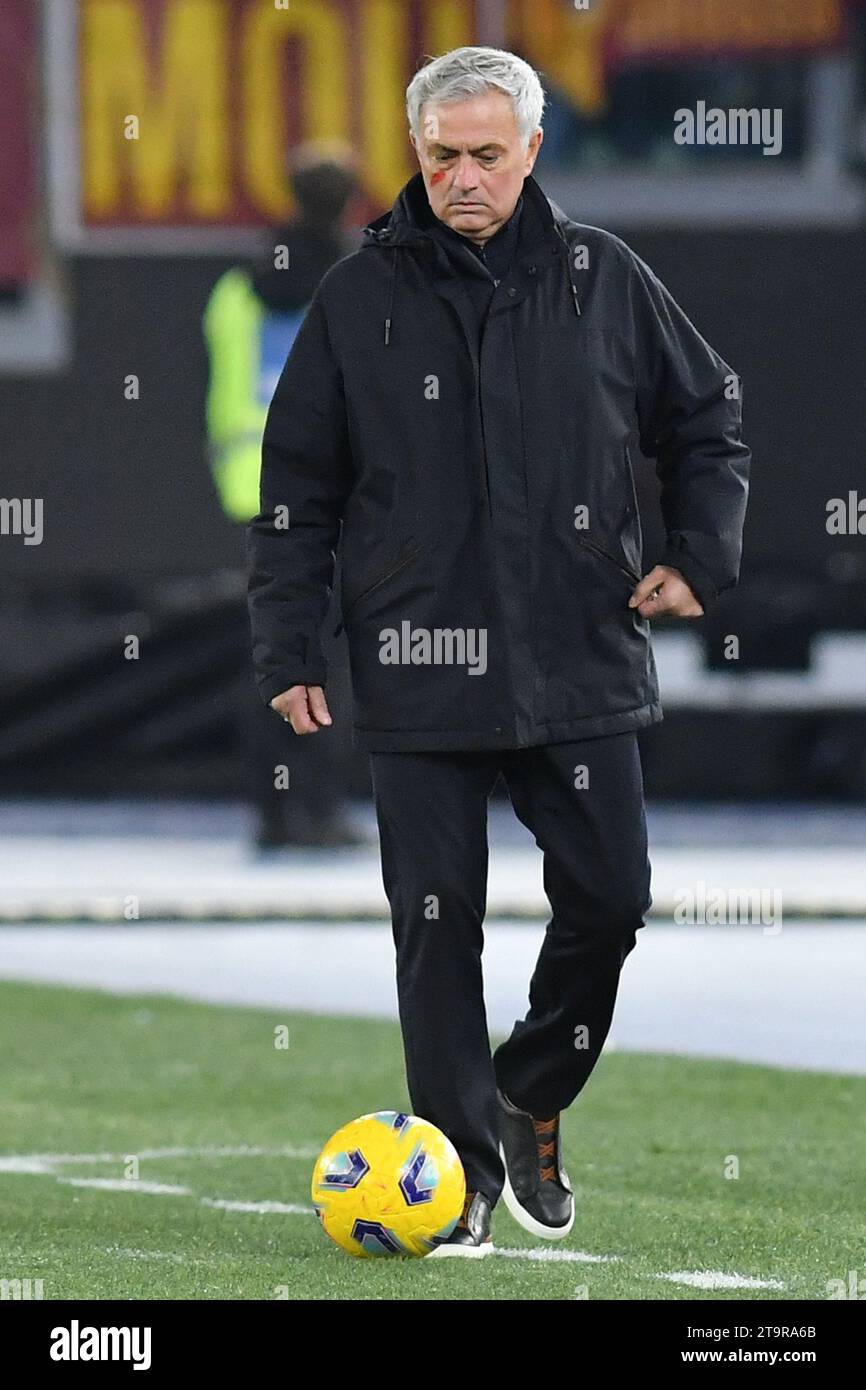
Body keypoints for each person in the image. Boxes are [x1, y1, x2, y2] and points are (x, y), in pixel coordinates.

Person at [247, 47, 751, 1253]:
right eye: (440, 156)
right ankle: (460, 1178)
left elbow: (708, 415)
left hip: (578, 654)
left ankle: (532, 1086)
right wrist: (290, 648)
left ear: (531, 150)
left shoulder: (603, 279)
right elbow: (295, 491)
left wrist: (699, 554)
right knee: (435, 923)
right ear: (412, 156)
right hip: (416, 661)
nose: (461, 176)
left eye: (484, 154)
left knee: (611, 901)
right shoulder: (354, 298)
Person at [204, 142, 365, 848]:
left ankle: (273, 812)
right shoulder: (363, 281)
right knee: (329, 659)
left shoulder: (238, 289)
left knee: (272, 653)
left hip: (254, 487)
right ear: (351, 200)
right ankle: (320, 809)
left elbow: (222, 378)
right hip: (335, 491)